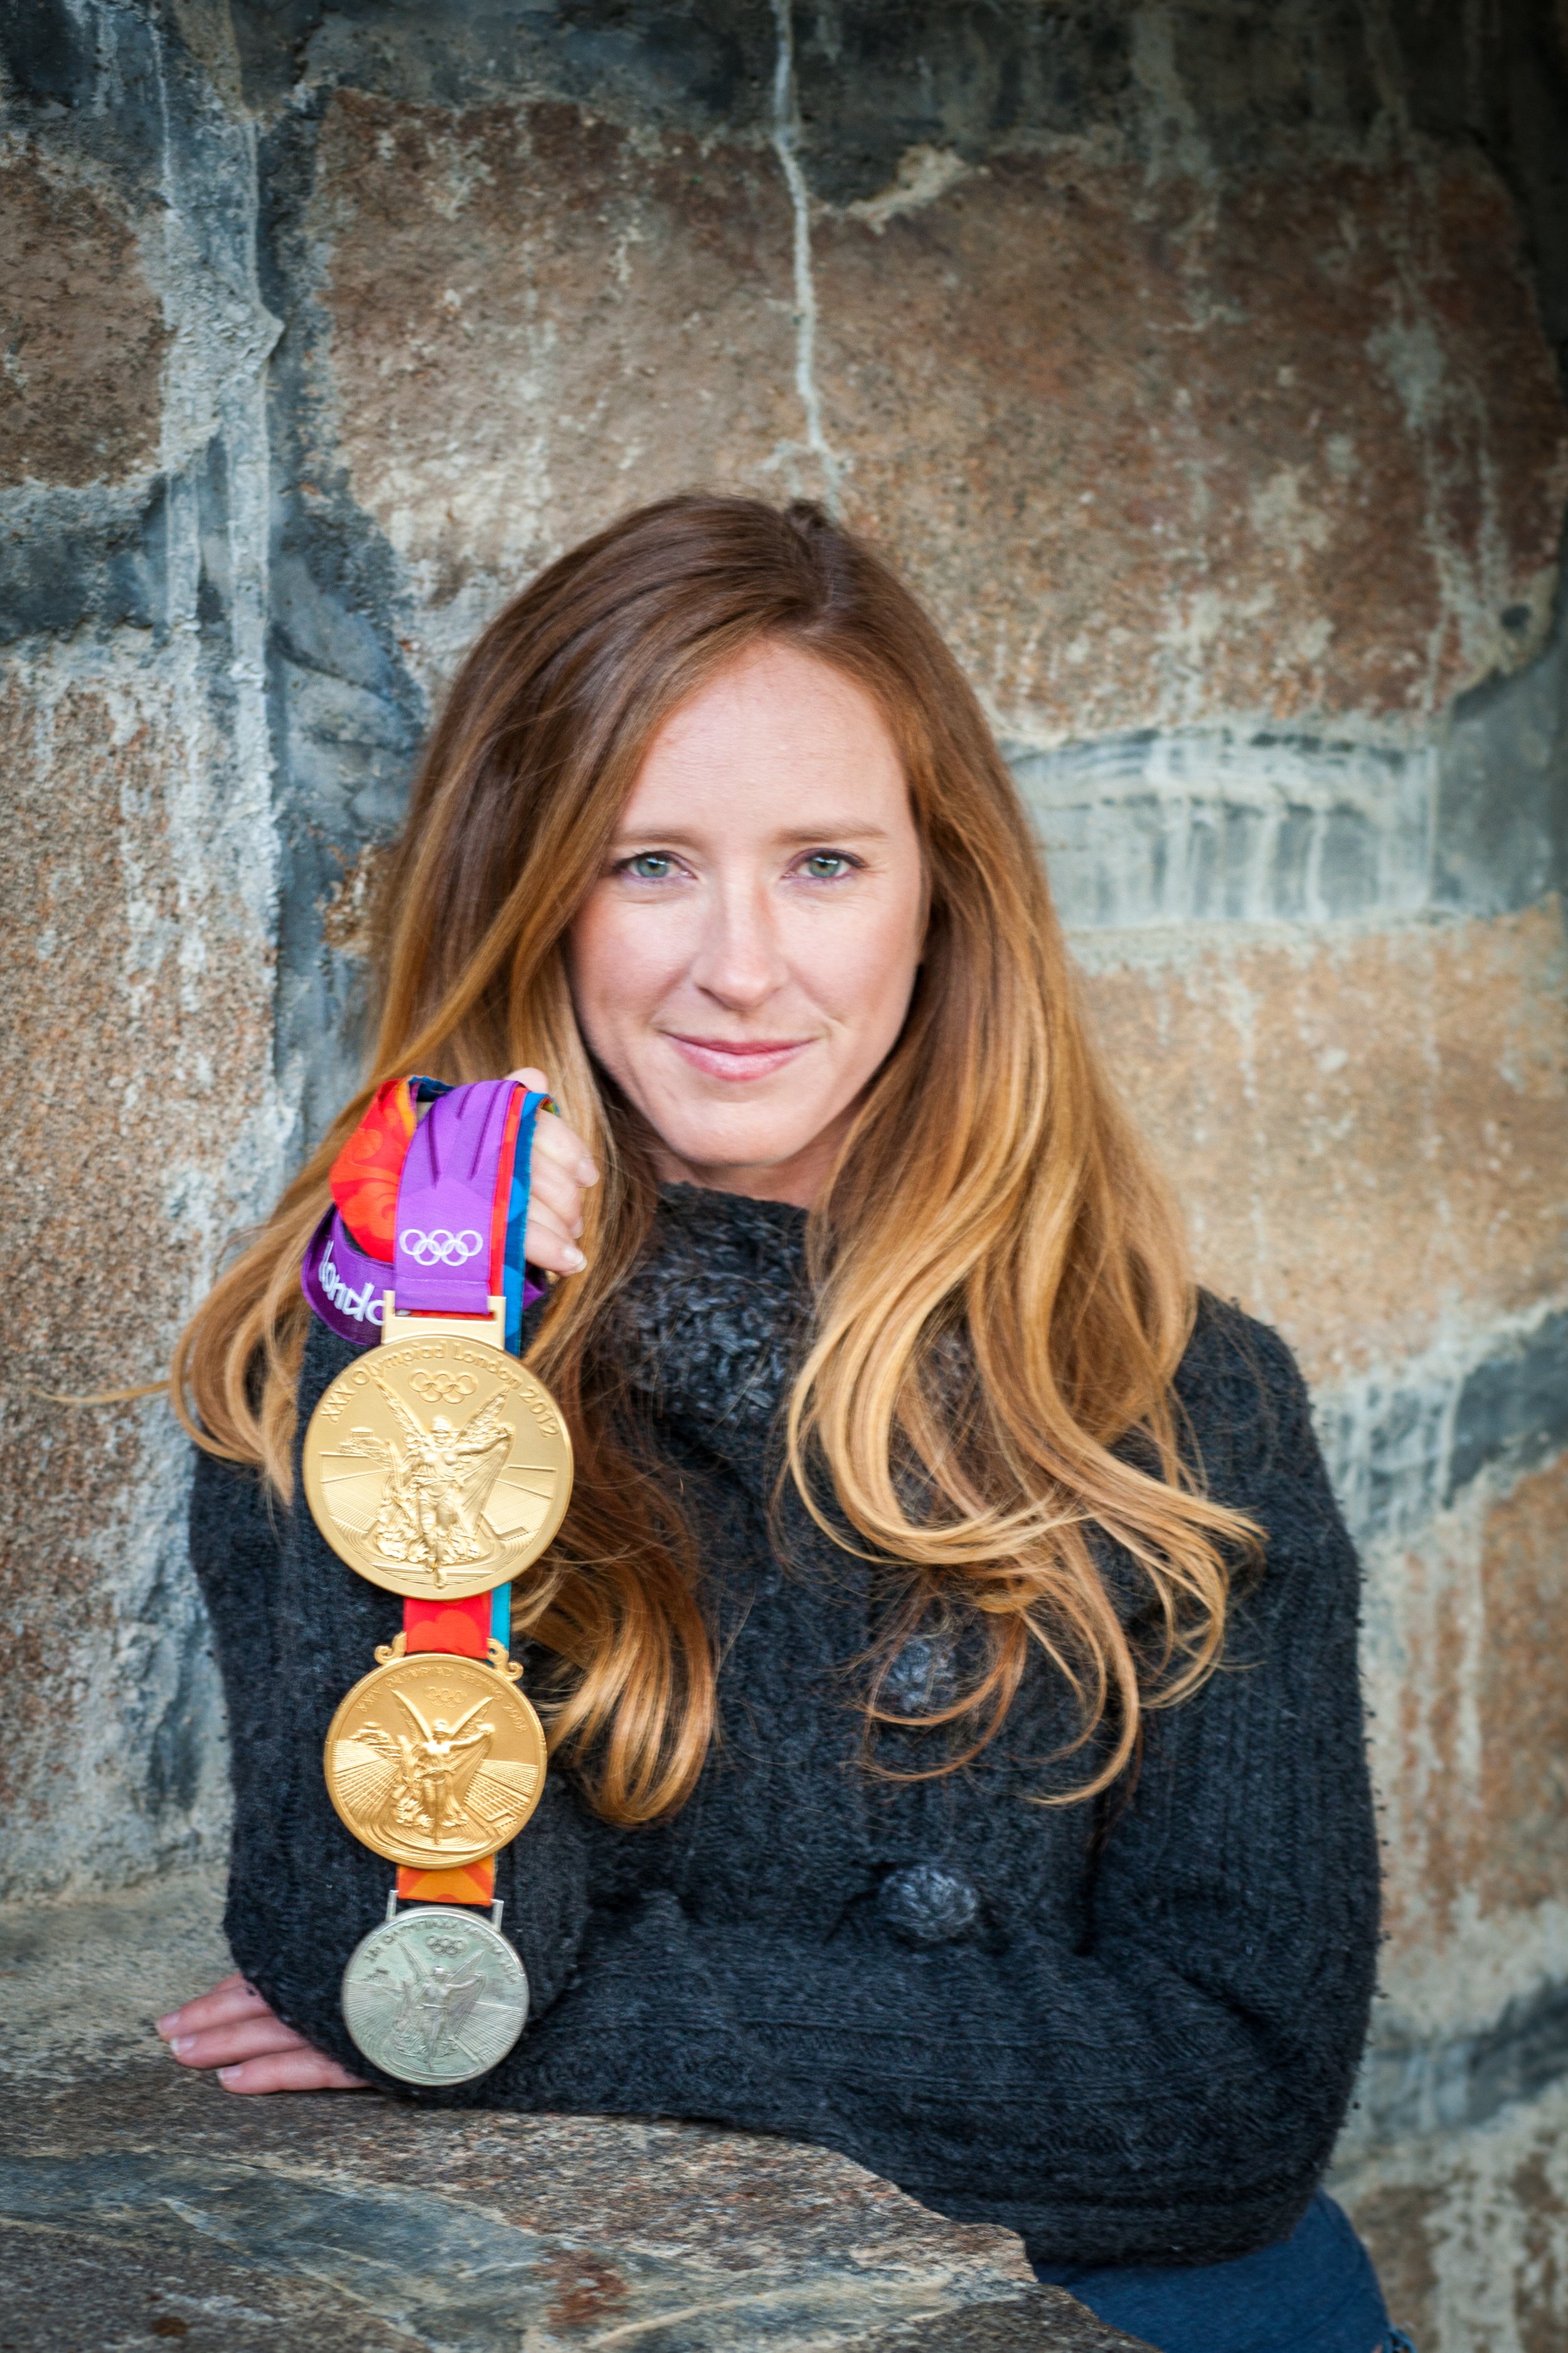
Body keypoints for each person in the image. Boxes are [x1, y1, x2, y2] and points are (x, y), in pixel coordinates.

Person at [158, 494, 1399, 2353]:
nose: (741, 966)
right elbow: (383, 1940)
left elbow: (1229, 2096)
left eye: (823, 863)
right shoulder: (349, 1361)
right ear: (531, 886)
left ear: (937, 896)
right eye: (647, 862)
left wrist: (509, 2022)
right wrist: (426, 1327)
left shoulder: (1168, 1386)